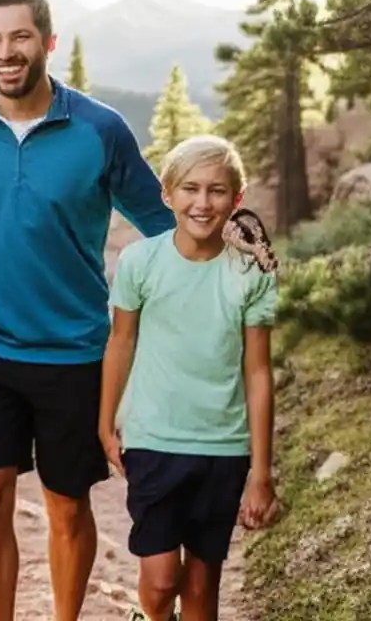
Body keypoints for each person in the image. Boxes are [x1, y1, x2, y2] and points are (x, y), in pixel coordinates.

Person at [0, 0, 177, 621]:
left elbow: (163, 223)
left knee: (67, 505)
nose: (5, 52)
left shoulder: (100, 129)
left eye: (19, 37)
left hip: (74, 350)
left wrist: (231, 243)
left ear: (47, 42)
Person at [98, 135, 280, 621]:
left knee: (202, 586)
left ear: (237, 199)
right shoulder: (140, 262)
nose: (203, 203)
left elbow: (258, 371)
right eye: (191, 189)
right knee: (160, 583)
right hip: (153, 438)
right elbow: (120, 343)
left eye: (217, 191)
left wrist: (261, 473)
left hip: (223, 446)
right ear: (167, 194)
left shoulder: (251, 273)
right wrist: (106, 422)